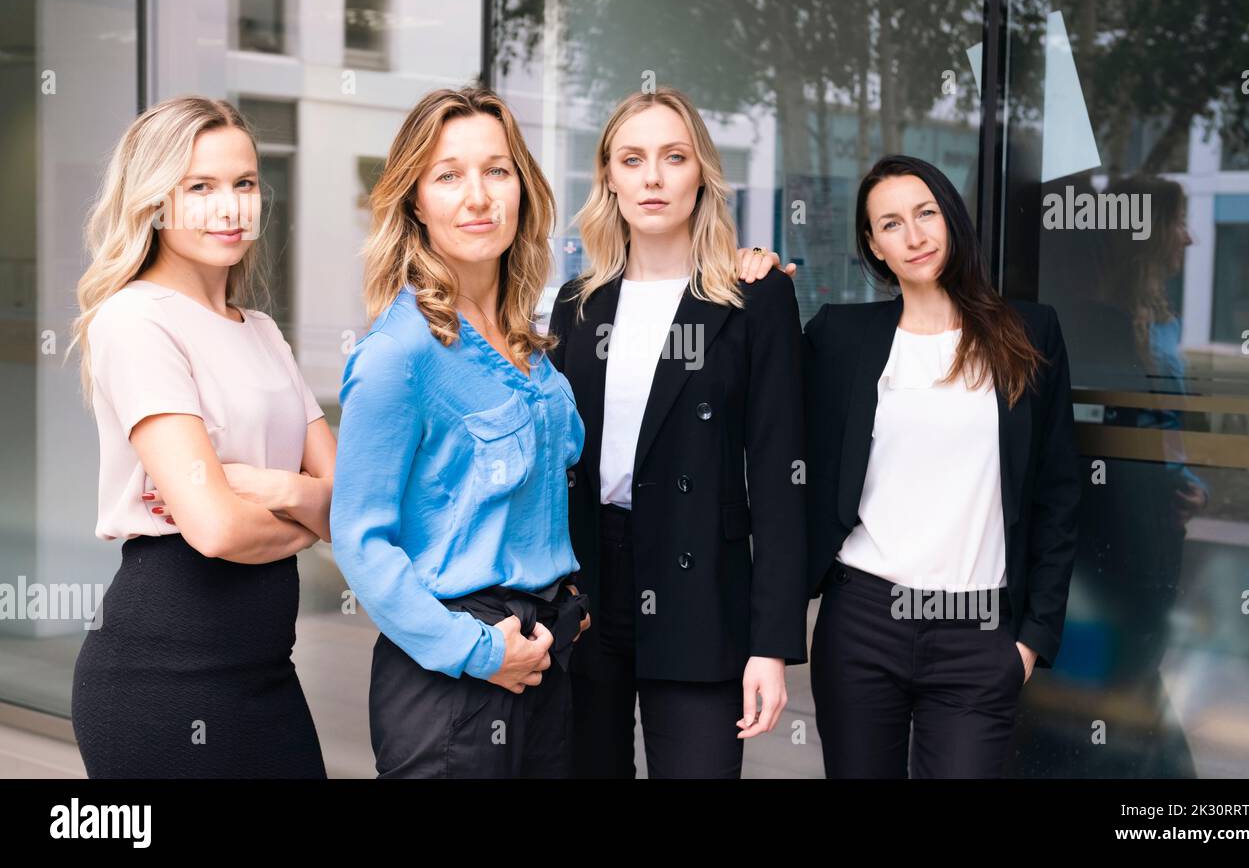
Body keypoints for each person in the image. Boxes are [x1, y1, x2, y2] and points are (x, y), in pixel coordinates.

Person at [70, 96, 334, 778]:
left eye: (244, 184)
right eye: (201, 188)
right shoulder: (135, 321)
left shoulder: (263, 333)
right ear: (156, 200)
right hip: (160, 678)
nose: (231, 208)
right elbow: (217, 531)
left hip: (267, 672)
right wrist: (309, 515)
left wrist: (275, 489)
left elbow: (353, 505)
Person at [329, 87, 589, 778]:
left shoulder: (528, 346)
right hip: (453, 679)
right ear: (416, 201)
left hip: (541, 665)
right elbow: (361, 541)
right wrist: (480, 652)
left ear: (523, 189)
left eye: (497, 171)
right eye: (448, 176)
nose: (478, 196)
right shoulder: (399, 354)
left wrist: (565, 601)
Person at [548, 86, 807, 778]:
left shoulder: (757, 296)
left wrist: (772, 643)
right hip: (587, 583)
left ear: (702, 173)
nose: (653, 177)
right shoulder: (578, 305)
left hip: (702, 590)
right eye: (632, 159)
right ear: (608, 175)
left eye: (674, 157)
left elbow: (783, 475)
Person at [802, 154, 1081, 778]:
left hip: (979, 630)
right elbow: (760, 408)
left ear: (951, 218)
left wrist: (1032, 639)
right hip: (863, 620)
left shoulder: (1029, 332)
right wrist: (756, 277)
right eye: (892, 223)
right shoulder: (839, 338)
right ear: (874, 247)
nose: (915, 235)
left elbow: (1060, 493)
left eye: (926, 213)